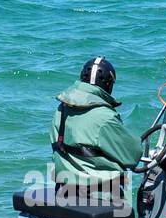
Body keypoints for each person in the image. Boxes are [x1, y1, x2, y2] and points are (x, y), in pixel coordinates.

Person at [50, 56, 142, 204]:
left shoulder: (61, 109)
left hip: (64, 191)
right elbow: (133, 157)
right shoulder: (105, 117)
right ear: (109, 85)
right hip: (101, 197)